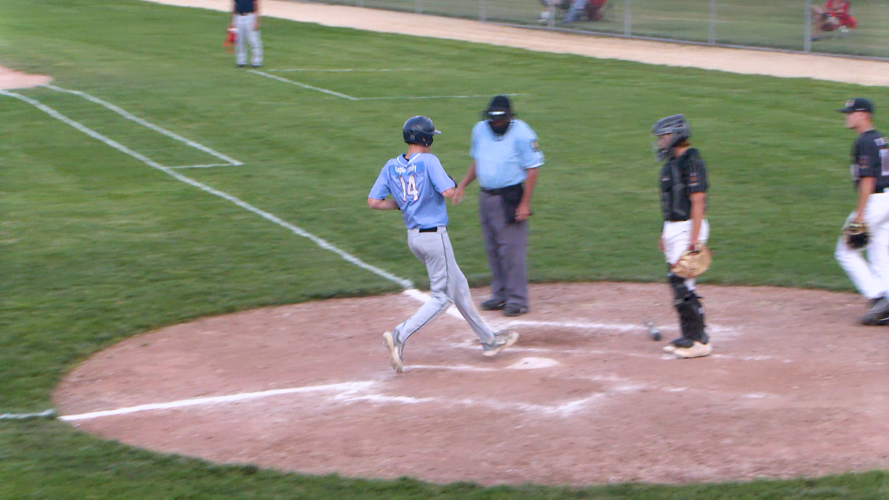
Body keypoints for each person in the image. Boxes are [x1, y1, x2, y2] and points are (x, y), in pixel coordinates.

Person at [368, 116, 519, 374]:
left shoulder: (390, 166)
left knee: (458, 286)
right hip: (434, 238)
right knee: (442, 297)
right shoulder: (429, 161)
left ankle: (489, 340)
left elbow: (374, 201)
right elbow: (449, 192)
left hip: (414, 238)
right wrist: (455, 186)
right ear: (424, 139)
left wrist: (403, 205)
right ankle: (399, 335)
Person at [454, 95, 544, 317]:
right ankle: (501, 294)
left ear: (510, 118)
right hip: (486, 197)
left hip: (510, 197)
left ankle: (518, 299)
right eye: (493, 120)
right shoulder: (479, 130)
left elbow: (533, 169)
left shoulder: (523, 133)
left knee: (511, 251)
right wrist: (463, 184)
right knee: (493, 249)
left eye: (501, 120)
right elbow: (479, 160)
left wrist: (525, 203)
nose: (496, 124)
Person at [651, 114, 712, 359]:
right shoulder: (671, 165)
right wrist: (664, 233)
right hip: (674, 228)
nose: (660, 142)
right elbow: (670, 204)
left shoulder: (692, 161)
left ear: (675, 135)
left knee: (681, 283)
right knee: (678, 283)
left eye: (663, 137)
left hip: (689, 228)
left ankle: (698, 340)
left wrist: (694, 240)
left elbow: (698, 201)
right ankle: (690, 336)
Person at [834, 98, 889, 325]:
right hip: (888, 200)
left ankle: (877, 297)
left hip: (875, 201)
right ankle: (886, 298)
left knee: (845, 251)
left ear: (863, 114)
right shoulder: (880, 139)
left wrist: (859, 214)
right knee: (878, 250)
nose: (847, 116)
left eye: (851, 112)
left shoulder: (864, 142)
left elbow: (867, 179)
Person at [232, 0, 262, 68]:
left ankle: (256, 61)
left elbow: (256, 4)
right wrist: (233, 20)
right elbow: (235, 5)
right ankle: (241, 61)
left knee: (253, 39)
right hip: (239, 16)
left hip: (250, 16)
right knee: (239, 40)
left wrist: (256, 21)